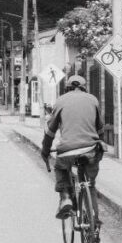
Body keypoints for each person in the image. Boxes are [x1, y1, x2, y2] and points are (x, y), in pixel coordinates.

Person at [40, 74, 105, 225]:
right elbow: (100, 129)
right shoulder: (93, 100)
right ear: (84, 88)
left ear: (67, 88)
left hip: (67, 151)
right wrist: (99, 143)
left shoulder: (61, 101)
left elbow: (50, 132)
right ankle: (94, 223)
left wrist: (45, 151)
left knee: (61, 168)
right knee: (90, 184)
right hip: (90, 149)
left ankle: (66, 198)